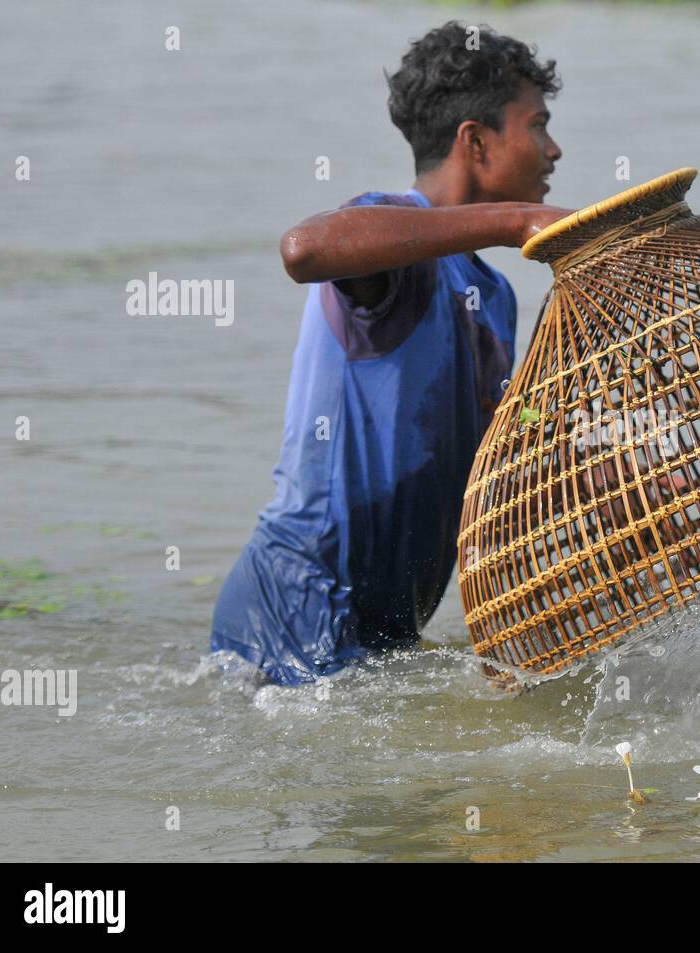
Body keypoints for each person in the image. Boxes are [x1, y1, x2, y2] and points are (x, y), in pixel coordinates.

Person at [210, 21, 574, 684]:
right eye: (537, 125)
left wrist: (597, 470)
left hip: (386, 628)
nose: (554, 150)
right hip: (297, 599)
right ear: (476, 141)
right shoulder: (389, 240)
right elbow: (305, 249)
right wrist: (516, 223)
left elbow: (498, 455)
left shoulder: (490, 295)